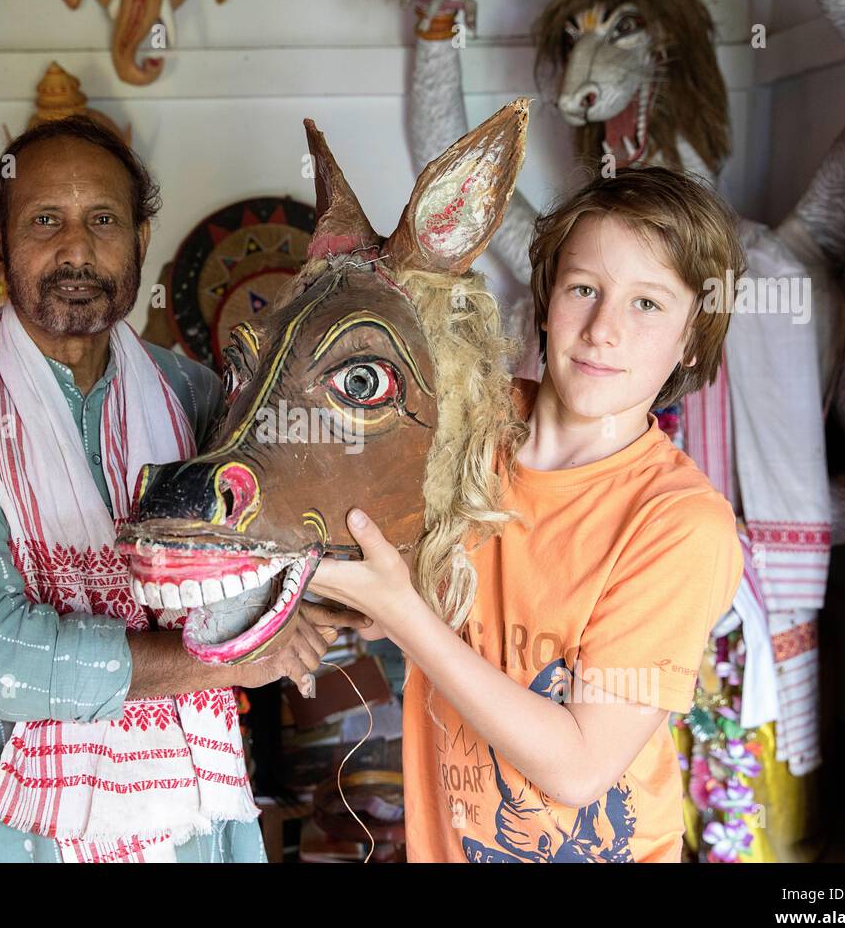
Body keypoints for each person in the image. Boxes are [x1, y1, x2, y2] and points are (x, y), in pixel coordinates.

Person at [0, 116, 345, 863]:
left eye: (103, 220)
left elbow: (256, 566)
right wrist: (230, 660)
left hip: (189, 826)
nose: (77, 250)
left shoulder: (191, 395)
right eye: (46, 220)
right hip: (13, 827)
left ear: (140, 240)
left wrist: (342, 601)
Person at [309, 166, 746, 862]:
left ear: (694, 337)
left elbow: (579, 766)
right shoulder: (460, 423)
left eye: (648, 304)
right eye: (584, 289)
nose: (604, 330)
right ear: (545, 302)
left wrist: (400, 615)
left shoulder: (678, 523)